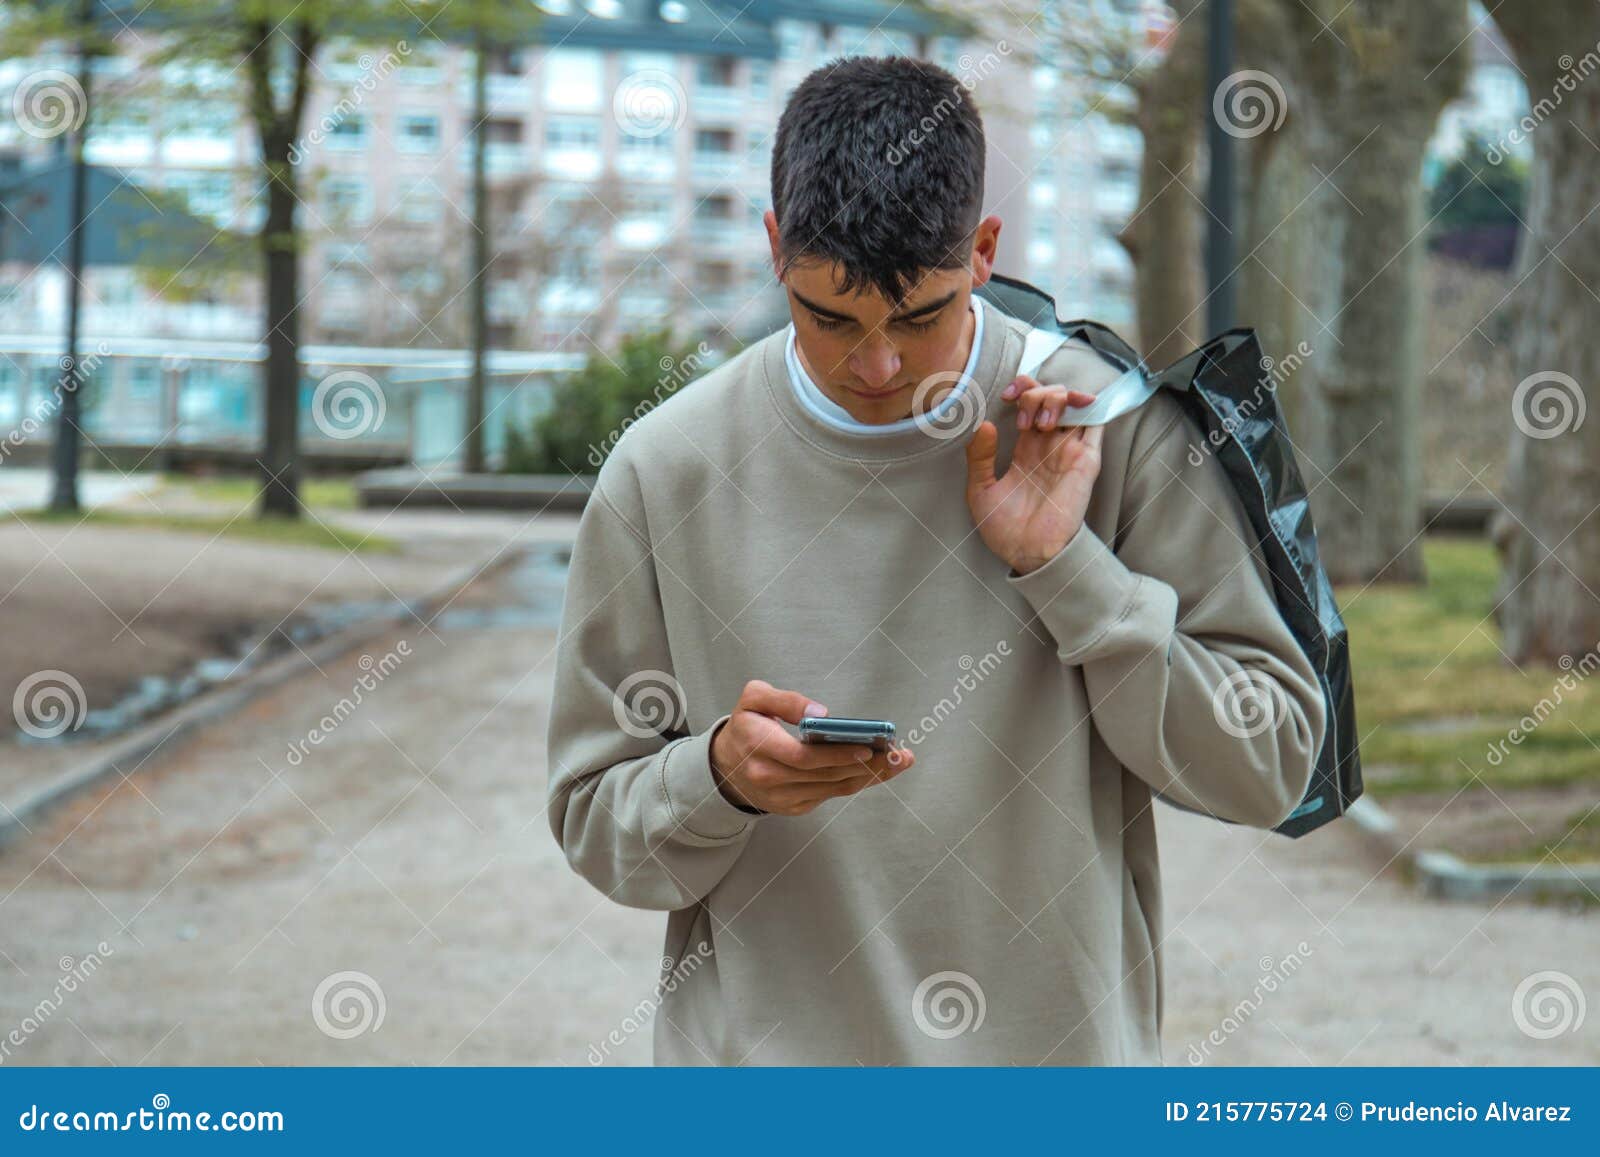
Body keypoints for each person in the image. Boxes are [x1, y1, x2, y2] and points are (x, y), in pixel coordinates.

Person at [545, 55, 1325, 1065]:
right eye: (829, 317)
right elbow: (593, 820)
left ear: (985, 250)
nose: (876, 365)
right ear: (775, 247)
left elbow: (1269, 767)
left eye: (919, 317)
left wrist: (1067, 569)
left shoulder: (1110, 427)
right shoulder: (662, 469)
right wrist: (718, 778)